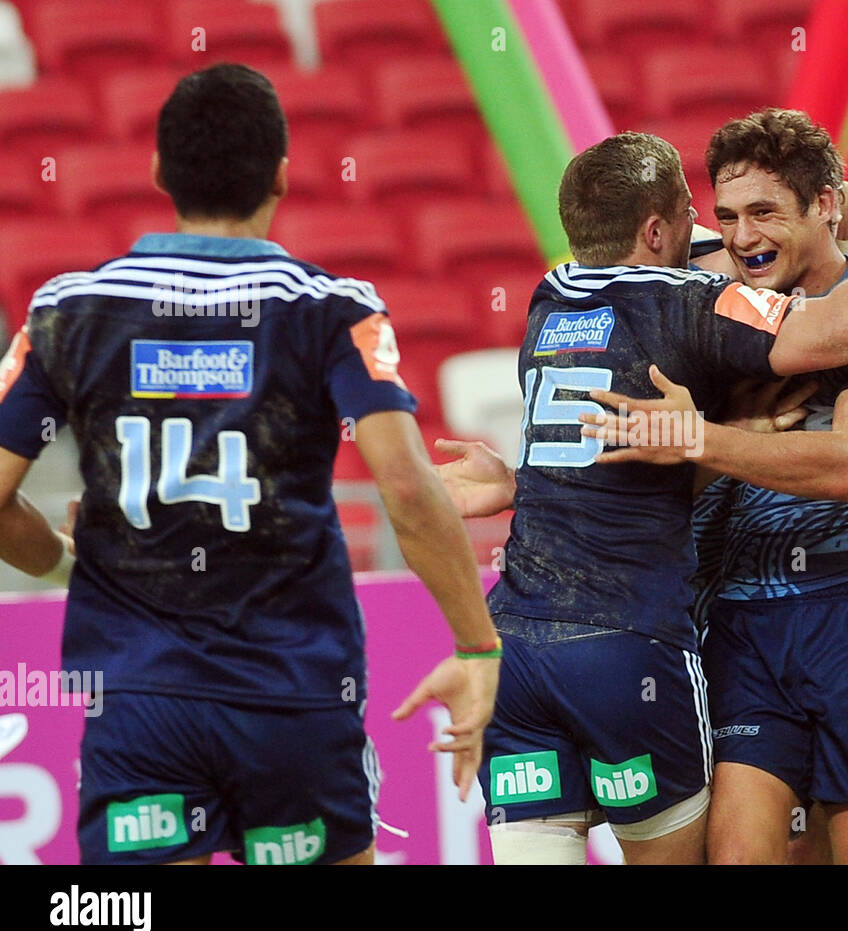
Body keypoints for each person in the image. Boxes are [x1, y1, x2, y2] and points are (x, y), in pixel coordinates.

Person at [0, 63, 500, 865]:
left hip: (137, 700)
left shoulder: (66, 310)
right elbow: (405, 485)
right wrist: (478, 646)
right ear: (282, 175)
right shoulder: (331, 306)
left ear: (159, 172)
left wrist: (68, 563)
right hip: (291, 693)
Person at [441, 130, 848, 864]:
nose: (739, 237)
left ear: (822, 206)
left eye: (762, 212)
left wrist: (703, 438)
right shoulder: (706, 305)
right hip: (726, 621)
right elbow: (684, 264)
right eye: (724, 217)